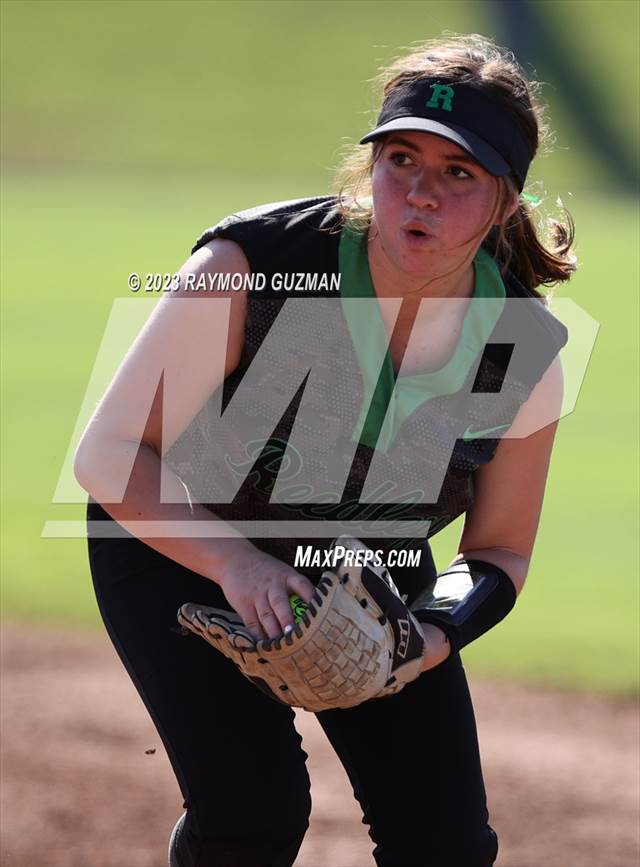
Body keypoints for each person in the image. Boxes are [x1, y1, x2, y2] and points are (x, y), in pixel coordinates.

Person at [74, 33, 575, 867]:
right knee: (252, 814)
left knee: (446, 845)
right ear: (368, 164)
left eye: (459, 174)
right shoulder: (255, 263)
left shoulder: (522, 347)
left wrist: (428, 635)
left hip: (364, 573)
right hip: (175, 545)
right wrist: (239, 565)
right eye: (402, 158)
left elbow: (499, 550)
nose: (419, 193)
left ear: (504, 203)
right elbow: (110, 451)